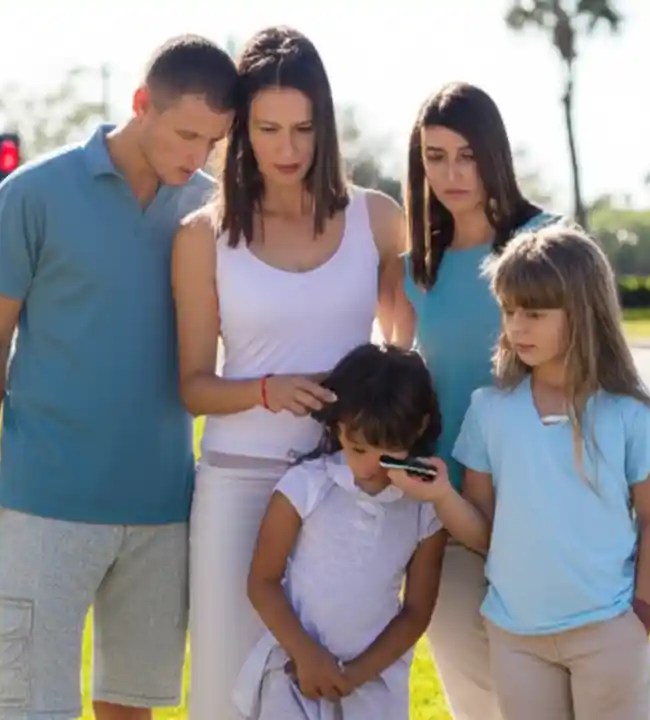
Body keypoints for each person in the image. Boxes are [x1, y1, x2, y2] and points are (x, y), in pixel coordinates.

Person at [0, 35, 237, 720]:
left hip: (162, 512)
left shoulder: (212, 214)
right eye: (185, 134)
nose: (196, 157)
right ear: (142, 104)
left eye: (213, 142)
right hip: (43, 504)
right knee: (33, 710)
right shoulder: (32, 194)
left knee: (131, 711)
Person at [170, 25, 406, 720]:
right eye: (268, 128)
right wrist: (268, 391)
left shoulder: (377, 219)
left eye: (304, 128)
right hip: (238, 487)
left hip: (346, 489)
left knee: (338, 691)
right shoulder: (201, 237)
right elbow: (192, 386)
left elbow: (406, 350)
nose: (288, 149)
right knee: (225, 695)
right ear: (240, 129)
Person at [391, 225, 650, 720]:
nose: (517, 327)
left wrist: (641, 616)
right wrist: (443, 495)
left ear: (584, 312)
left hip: (609, 632)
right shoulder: (489, 412)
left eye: (534, 313)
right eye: (508, 311)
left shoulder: (633, 415)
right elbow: (487, 531)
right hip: (515, 638)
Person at [390, 80, 572, 719]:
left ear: (494, 153)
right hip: (452, 518)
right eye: (434, 157)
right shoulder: (417, 269)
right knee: (475, 703)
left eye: (466, 154)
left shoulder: (548, 242)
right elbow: (405, 387)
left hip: (541, 516)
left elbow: (592, 374)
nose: (451, 173)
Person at [234, 343, 448, 720]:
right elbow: (262, 582)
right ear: (337, 427)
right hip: (292, 676)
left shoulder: (425, 509)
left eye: (386, 453)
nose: (368, 467)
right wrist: (307, 656)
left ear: (418, 428)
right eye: (357, 448)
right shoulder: (305, 486)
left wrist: (356, 675)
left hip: (374, 686)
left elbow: (416, 612)